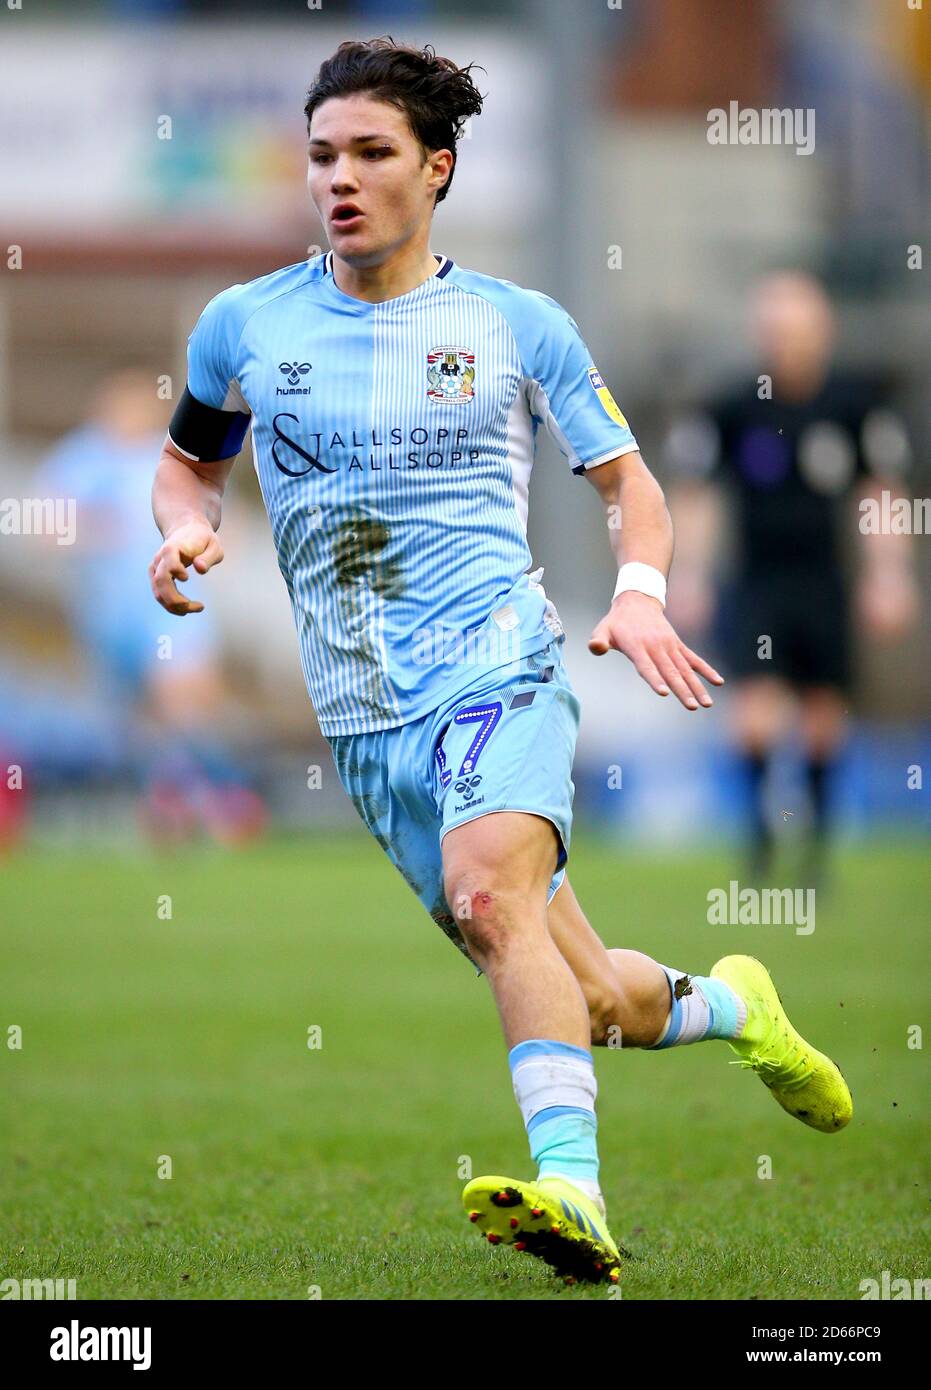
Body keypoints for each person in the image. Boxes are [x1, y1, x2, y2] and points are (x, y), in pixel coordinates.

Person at [150, 38, 852, 1289]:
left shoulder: (516, 325)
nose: (339, 179)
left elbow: (632, 487)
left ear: (439, 167)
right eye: (322, 156)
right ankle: (734, 1004)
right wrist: (186, 526)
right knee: (587, 997)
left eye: (371, 153)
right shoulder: (241, 325)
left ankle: (573, 1195)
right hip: (366, 723)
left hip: (498, 664)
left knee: (488, 891)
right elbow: (188, 460)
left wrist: (638, 596)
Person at [664, 272, 918, 884]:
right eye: (773, 330)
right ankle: (757, 847)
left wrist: (890, 575)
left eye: (795, 329)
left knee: (823, 718)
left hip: (825, 582)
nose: (783, 342)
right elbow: (696, 496)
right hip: (756, 582)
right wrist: (688, 576)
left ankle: (817, 860)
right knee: (752, 712)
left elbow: (881, 494)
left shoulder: (856, 407)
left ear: (821, 331)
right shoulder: (731, 407)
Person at [37, 367, 266, 845]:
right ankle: (172, 803)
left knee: (184, 704)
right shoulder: (83, 458)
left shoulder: (172, 457)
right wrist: (91, 531)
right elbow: (44, 527)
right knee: (138, 724)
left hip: (175, 613)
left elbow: (228, 518)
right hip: (109, 617)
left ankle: (232, 800)